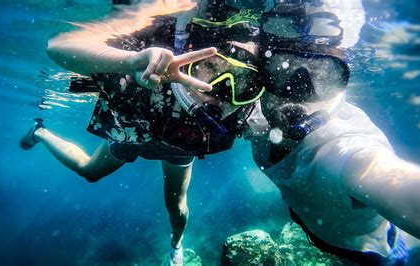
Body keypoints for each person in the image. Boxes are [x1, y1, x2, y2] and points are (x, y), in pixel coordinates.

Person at [21, 0, 272, 264]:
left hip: (180, 146)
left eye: (242, 81)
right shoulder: (160, 38)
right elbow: (58, 48)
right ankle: (40, 133)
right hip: (136, 132)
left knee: (176, 206)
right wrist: (130, 61)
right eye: (210, 70)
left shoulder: (249, 97)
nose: (218, 94)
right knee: (89, 171)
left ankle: (177, 243)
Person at [244, 0, 420, 264]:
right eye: (281, 70)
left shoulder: (346, 148)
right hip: (320, 232)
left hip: (371, 254)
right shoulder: (256, 116)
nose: (300, 93)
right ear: (260, 73)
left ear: (342, 86)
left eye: (324, 76)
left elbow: (391, 180)